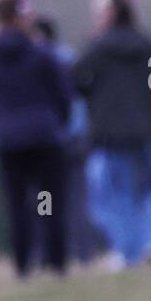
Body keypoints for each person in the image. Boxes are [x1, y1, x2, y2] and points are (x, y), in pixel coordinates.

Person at [73, 0, 151, 269]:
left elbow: (77, 84)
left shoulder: (96, 50)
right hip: (149, 131)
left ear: (109, 15)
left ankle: (126, 251)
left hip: (111, 135)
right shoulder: (148, 45)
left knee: (117, 195)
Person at [0, 0, 72, 279]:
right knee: (51, 201)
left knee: (17, 205)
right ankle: (56, 264)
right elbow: (63, 95)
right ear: (17, 17)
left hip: (8, 139)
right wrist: (57, 123)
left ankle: (23, 266)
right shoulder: (42, 53)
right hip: (44, 135)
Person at [32, 16, 98, 266]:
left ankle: (48, 250)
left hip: (51, 139)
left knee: (43, 198)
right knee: (76, 198)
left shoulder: (38, 60)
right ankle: (83, 253)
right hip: (76, 137)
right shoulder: (69, 57)